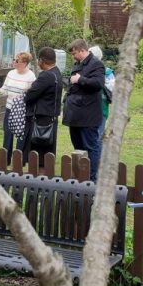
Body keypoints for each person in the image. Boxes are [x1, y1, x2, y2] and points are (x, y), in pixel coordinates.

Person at [63, 38, 105, 182]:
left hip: (88, 114)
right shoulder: (77, 64)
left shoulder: (96, 64)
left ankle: (91, 179)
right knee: (78, 147)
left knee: (91, 147)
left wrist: (81, 79)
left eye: (74, 53)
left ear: (82, 50)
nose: (73, 56)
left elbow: (99, 84)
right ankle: (80, 177)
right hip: (74, 113)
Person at [0, 51, 36, 165]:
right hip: (9, 109)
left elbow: (32, 95)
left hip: (22, 111)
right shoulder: (10, 73)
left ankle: (18, 161)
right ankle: (5, 160)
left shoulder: (31, 76)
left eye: (17, 60)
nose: (14, 62)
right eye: (14, 60)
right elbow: (5, 90)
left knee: (21, 136)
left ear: (25, 63)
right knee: (7, 134)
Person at [22, 47, 63, 166]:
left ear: (41, 60)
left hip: (41, 122)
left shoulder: (46, 76)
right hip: (51, 119)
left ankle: (37, 182)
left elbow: (28, 96)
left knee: (37, 157)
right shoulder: (57, 73)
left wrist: (31, 88)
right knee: (47, 156)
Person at [88, 45, 115, 141]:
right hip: (88, 108)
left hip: (101, 107)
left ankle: (97, 155)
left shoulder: (107, 72)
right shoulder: (87, 70)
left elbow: (111, 89)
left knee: (98, 136)